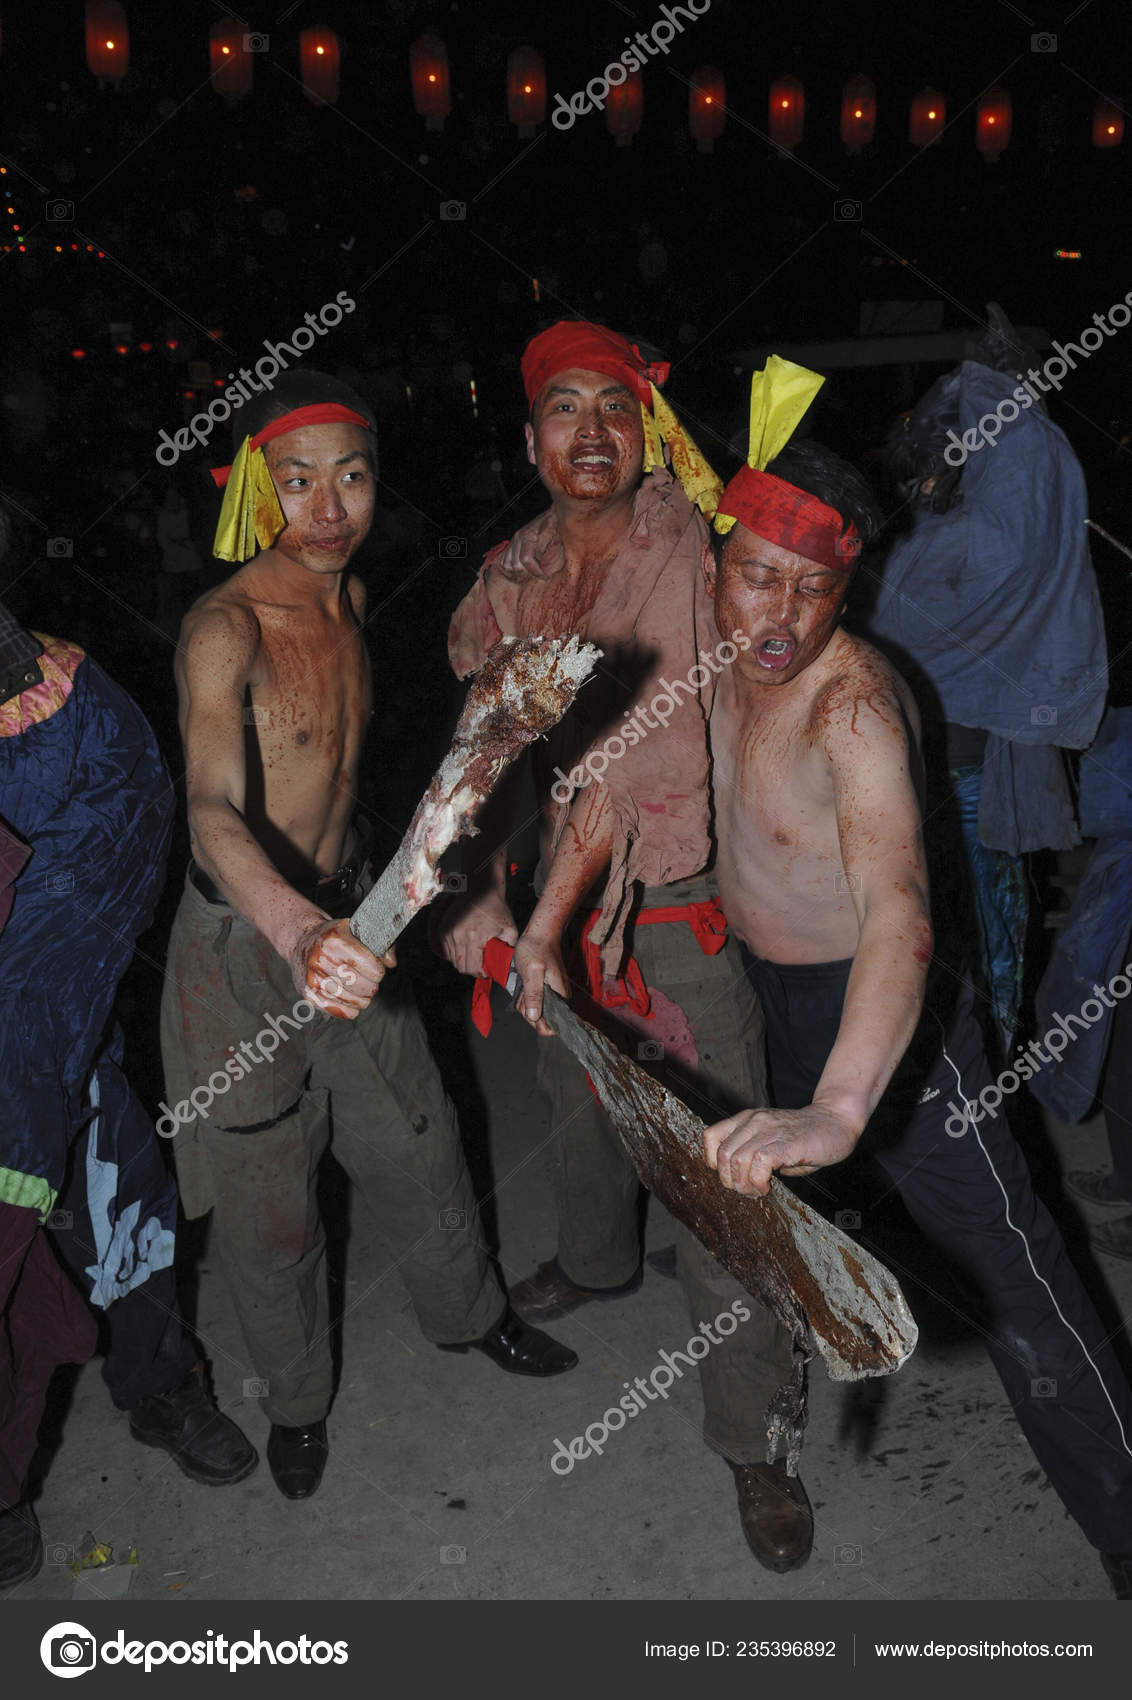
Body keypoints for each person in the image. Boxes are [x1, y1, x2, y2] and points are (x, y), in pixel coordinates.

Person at [694, 397, 1132, 1599]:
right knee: (762, 1240)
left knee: (1010, 1264)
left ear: (849, 586)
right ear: (715, 562)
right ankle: (764, 1455)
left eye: (810, 589)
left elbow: (898, 906)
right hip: (761, 996)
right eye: (754, 577)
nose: (776, 616)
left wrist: (839, 1107)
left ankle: (1123, 1509)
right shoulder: (707, 633)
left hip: (886, 1012)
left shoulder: (856, 704)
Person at [159, 370, 576, 1505]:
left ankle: (469, 1317)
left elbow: (344, 780)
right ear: (253, 487)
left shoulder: (347, 602)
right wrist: (296, 932)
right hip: (244, 950)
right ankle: (296, 1404)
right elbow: (207, 806)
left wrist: (425, 891)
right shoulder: (223, 625)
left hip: (354, 914)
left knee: (418, 1130)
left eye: (351, 475)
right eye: (298, 481)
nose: (330, 505)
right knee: (270, 1203)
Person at [443, 323, 809, 1572]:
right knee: (576, 1106)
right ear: (530, 434)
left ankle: (755, 1440)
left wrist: (535, 922)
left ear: (648, 428)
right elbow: (488, 743)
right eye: (562, 408)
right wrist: (475, 888)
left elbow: (637, 770)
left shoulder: (693, 553)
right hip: (560, 906)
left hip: (673, 912)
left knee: (722, 1188)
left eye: (615, 405)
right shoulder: (510, 574)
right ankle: (596, 1263)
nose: (588, 432)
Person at [0, 591, 255, 1592]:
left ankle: (160, 1382)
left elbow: (125, 845)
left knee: (111, 1187)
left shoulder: (67, 716)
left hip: (45, 1009)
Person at [870, 307, 1107, 1056]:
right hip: (926, 771)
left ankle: (978, 1080)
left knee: (964, 934)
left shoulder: (971, 534)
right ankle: (974, 1070)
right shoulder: (981, 522)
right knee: (960, 934)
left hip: (961, 774)